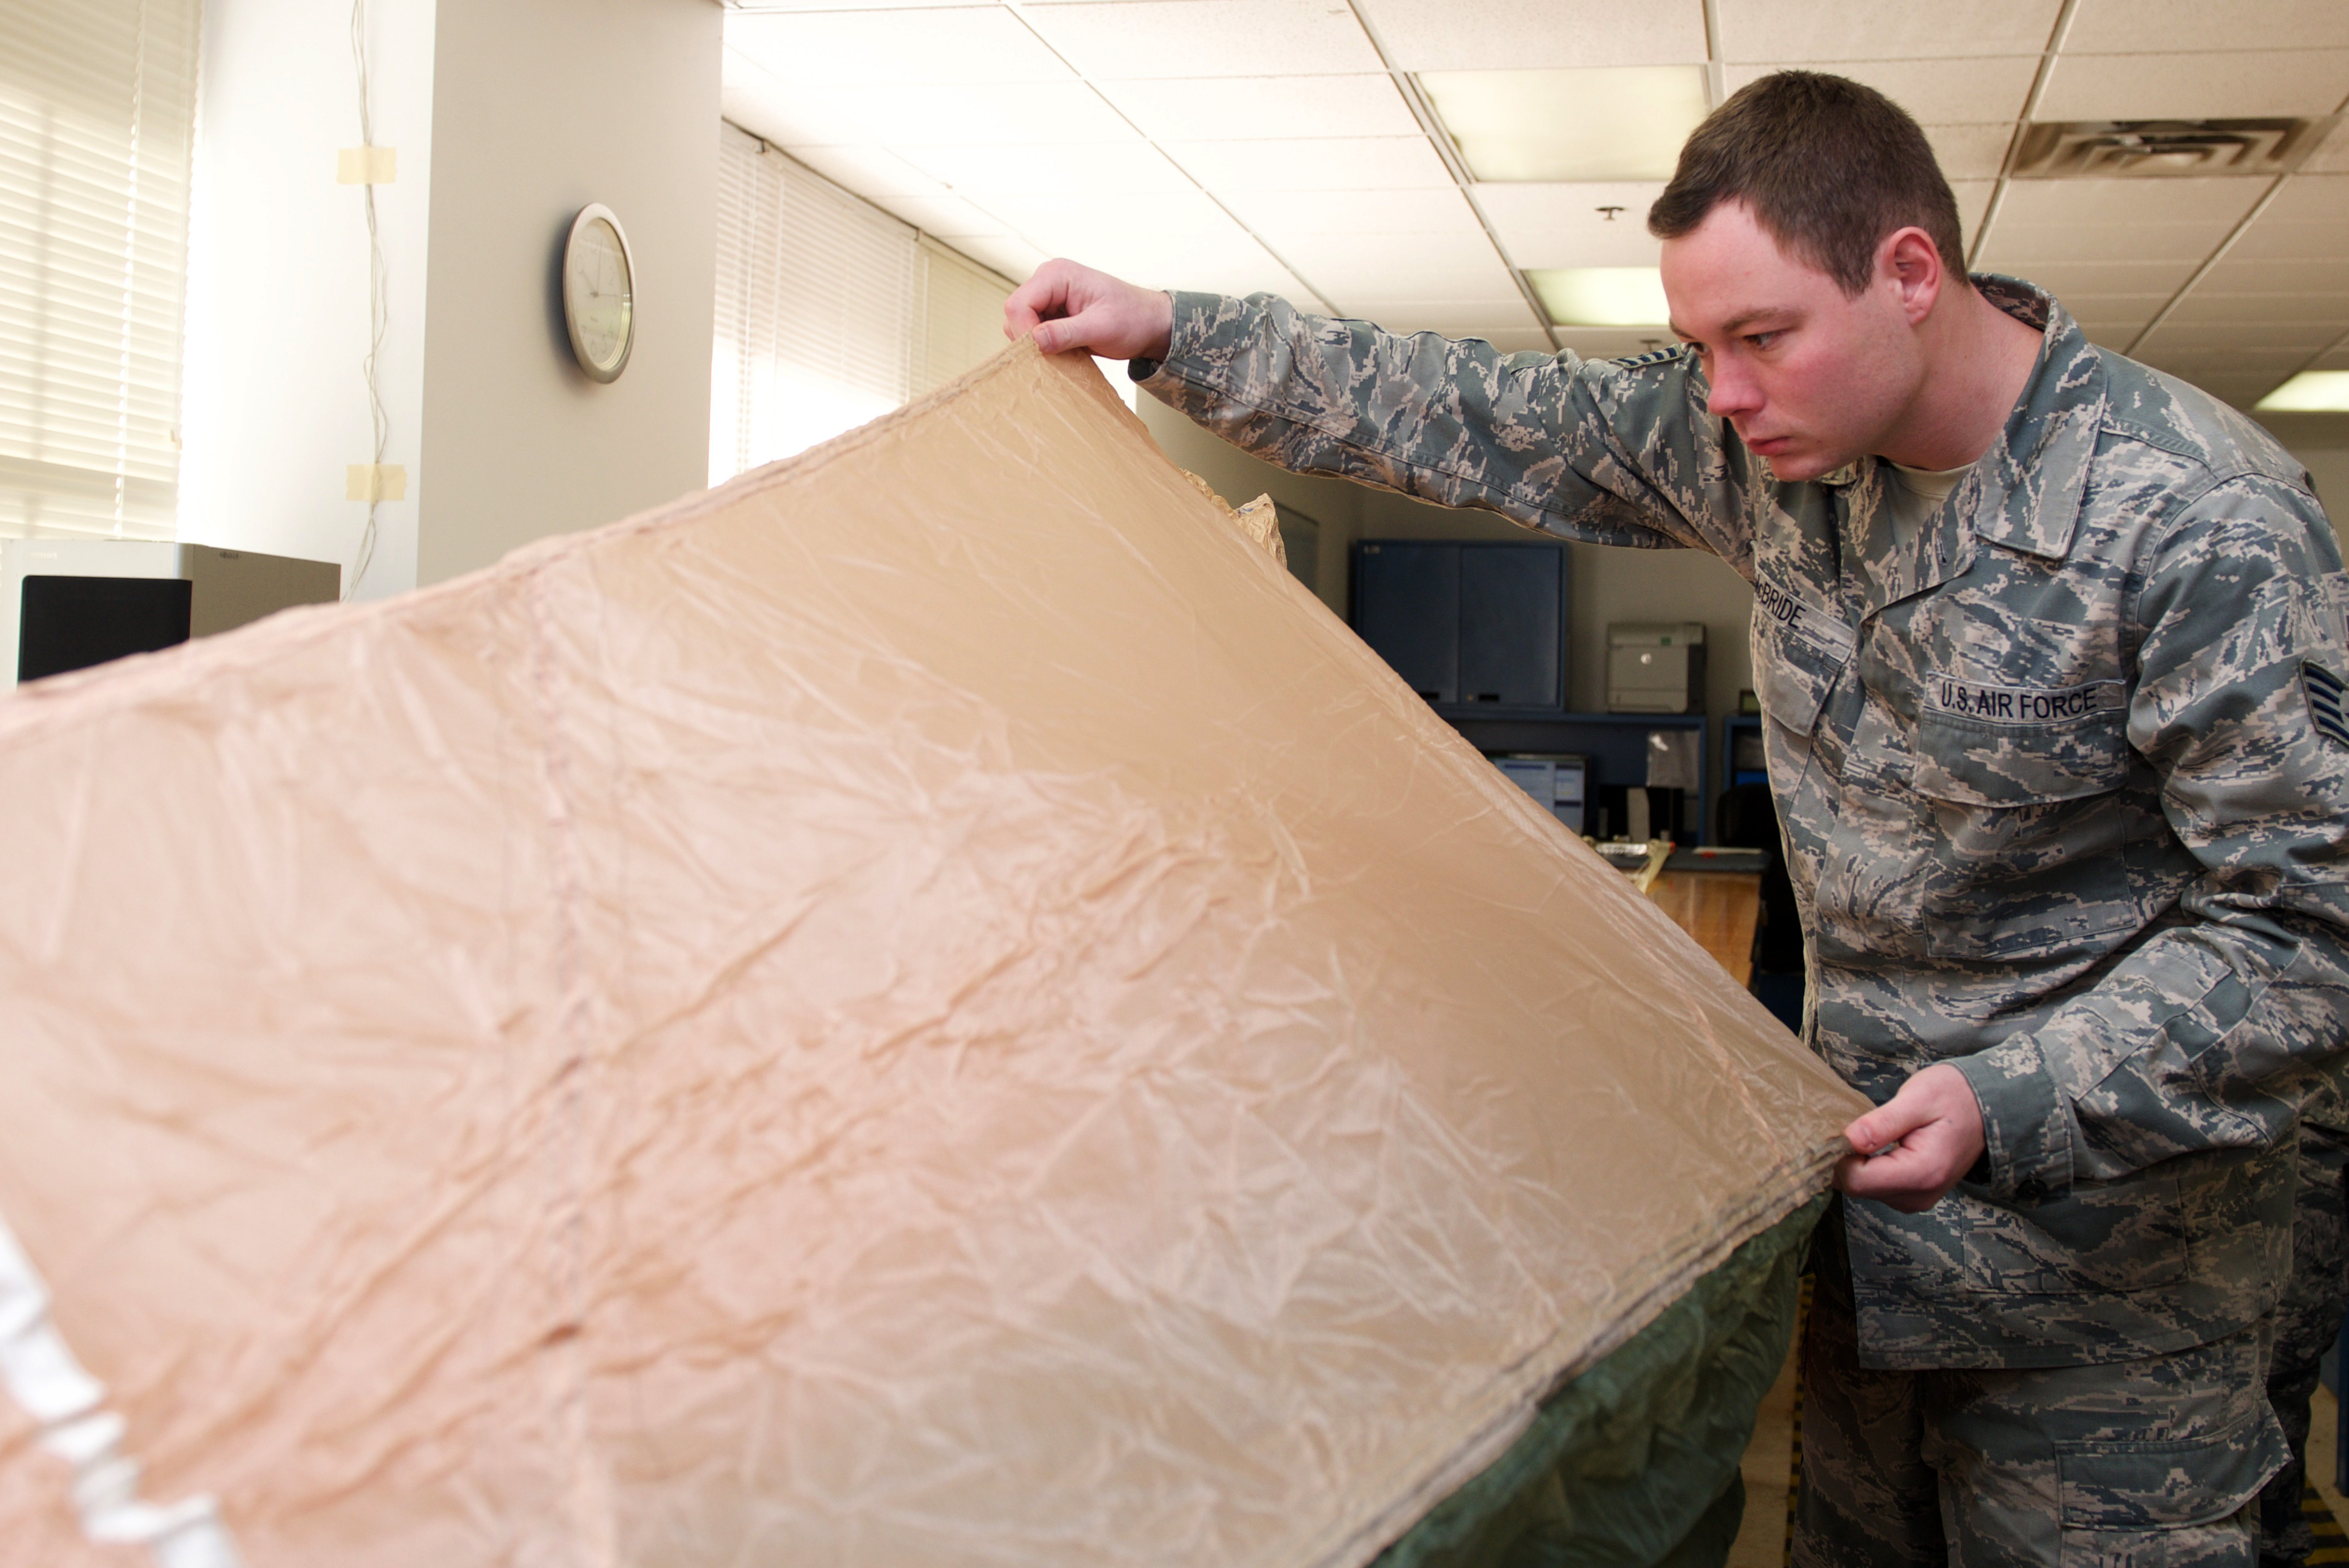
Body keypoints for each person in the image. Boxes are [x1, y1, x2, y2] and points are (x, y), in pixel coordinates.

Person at [1004, 71, 2349, 1566]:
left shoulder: (2197, 516)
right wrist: (1173, 330)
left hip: (2118, 1306)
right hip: (1875, 1259)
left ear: (1910, 273)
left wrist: (2011, 1099)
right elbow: (1479, 407)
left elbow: (2307, 930)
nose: (1720, 391)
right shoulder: (1765, 453)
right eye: (1701, 343)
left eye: (1762, 336)